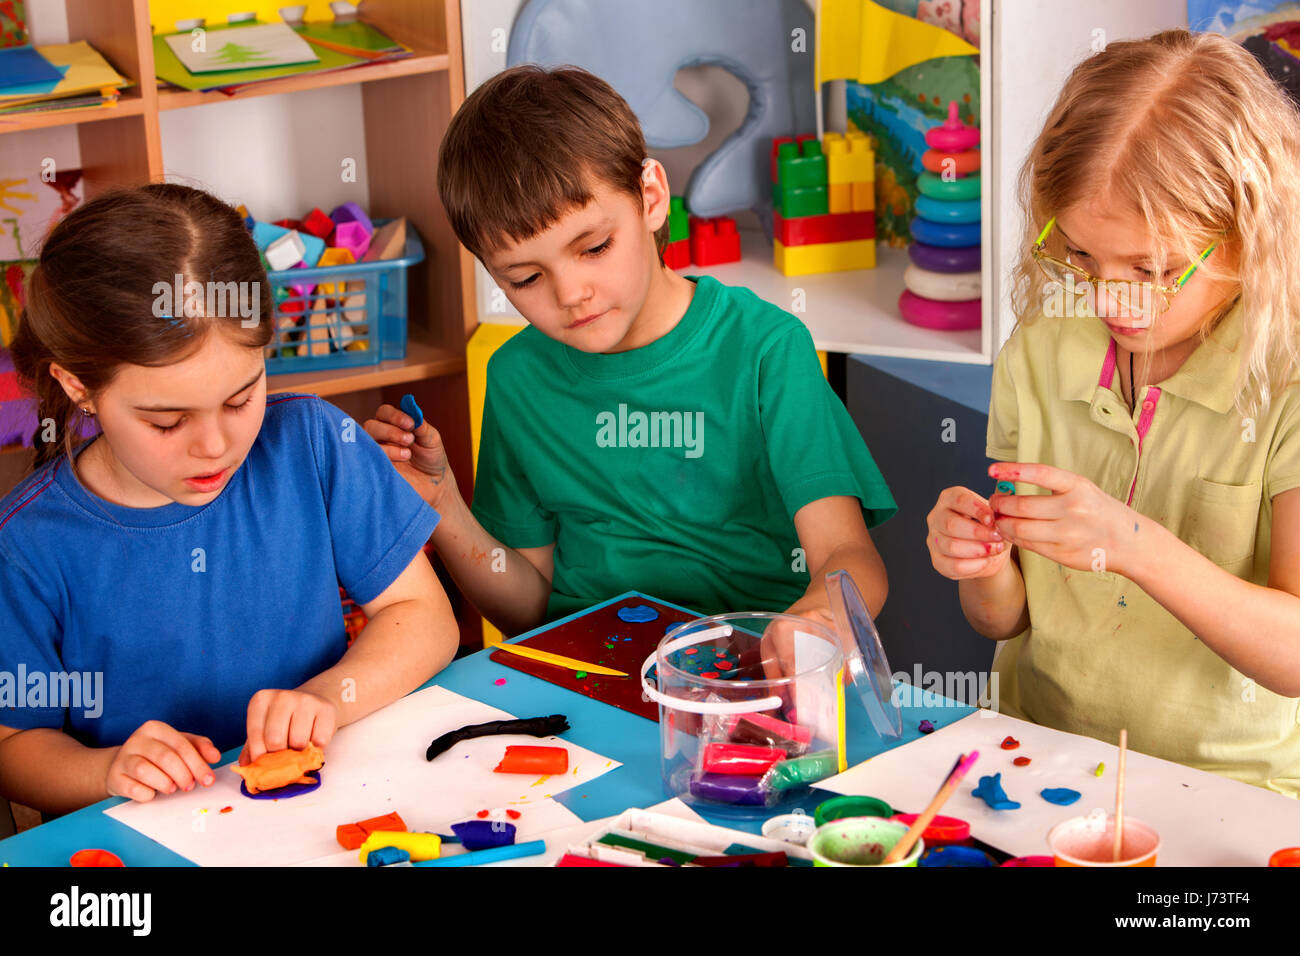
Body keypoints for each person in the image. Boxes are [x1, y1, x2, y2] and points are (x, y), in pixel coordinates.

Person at [366, 65, 896, 641]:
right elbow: (527, 608)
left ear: (651, 198)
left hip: (753, 665)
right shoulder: (516, 377)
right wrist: (442, 503)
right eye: (525, 279)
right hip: (594, 675)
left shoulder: (766, 349)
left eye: (593, 247)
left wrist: (813, 624)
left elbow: (851, 560)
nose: (570, 295)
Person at [0, 184, 458, 814]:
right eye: (167, 421)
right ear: (79, 385)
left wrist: (328, 697)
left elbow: (425, 617)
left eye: (242, 398)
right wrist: (107, 770)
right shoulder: (28, 544)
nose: (216, 446)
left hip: (328, 809)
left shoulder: (315, 443)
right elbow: (16, 747)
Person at [927, 30, 1300, 796]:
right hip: (1038, 754)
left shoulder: (1286, 379)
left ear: (1248, 231)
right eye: (1082, 257)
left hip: (1230, 793)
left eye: (1153, 270)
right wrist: (983, 567)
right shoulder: (1042, 348)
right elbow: (1004, 623)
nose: (1109, 301)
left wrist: (1133, 544)